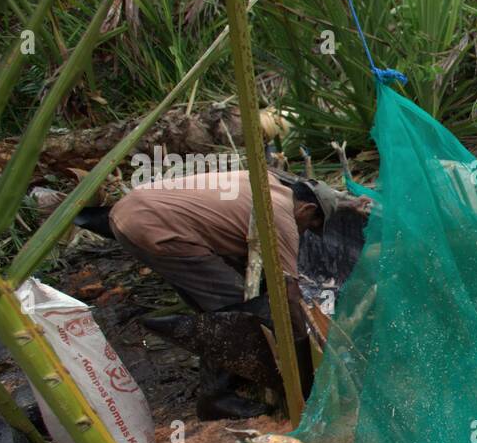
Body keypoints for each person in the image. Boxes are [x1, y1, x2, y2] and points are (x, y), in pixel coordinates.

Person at [108, 169, 346, 418]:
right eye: (311, 225)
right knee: (237, 313)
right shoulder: (280, 214)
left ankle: (230, 370)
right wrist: (307, 340)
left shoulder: (266, 181)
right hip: (155, 227)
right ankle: (215, 398)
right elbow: (289, 291)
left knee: (214, 305)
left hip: (128, 212)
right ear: (307, 210)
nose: (306, 231)